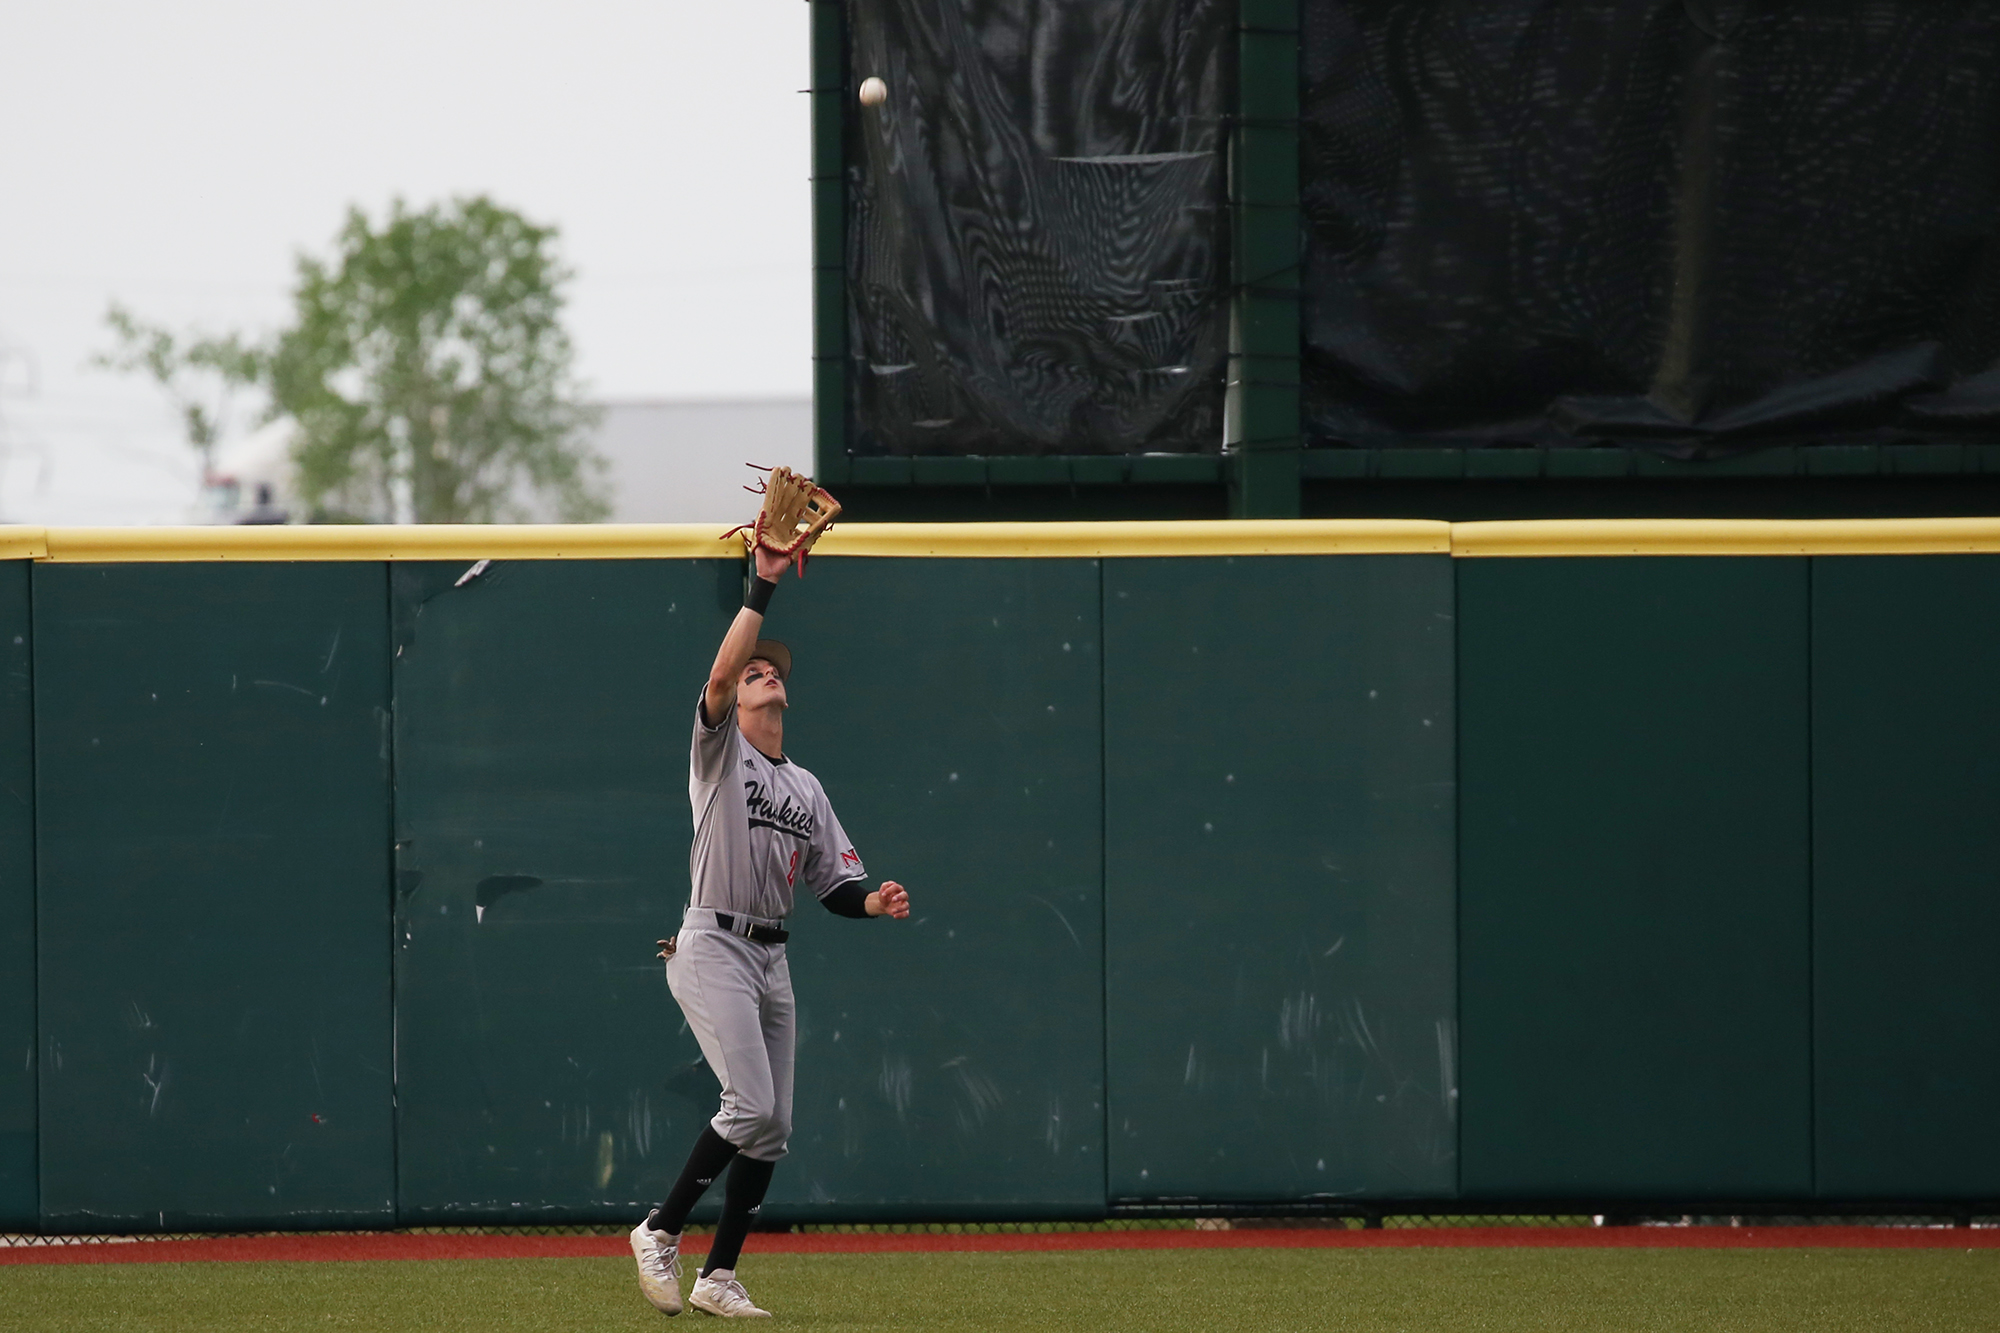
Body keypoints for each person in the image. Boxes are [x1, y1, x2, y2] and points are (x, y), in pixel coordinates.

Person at [629, 541, 910, 1318]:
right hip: (713, 940)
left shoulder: (807, 785)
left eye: (772, 669)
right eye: (757, 671)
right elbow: (719, 676)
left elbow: (834, 884)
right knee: (749, 1102)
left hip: (771, 955)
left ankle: (718, 1276)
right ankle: (657, 1229)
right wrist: (763, 585)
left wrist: (874, 902)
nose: (765, 674)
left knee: (773, 1125)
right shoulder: (720, 754)